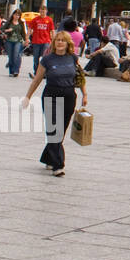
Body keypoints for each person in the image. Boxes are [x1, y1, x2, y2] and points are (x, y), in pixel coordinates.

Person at [21, 31, 86, 177]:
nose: (60, 43)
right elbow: (37, 80)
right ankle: (58, 165)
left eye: (63, 40)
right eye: (58, 40)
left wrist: (84, 94)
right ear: (54, 42)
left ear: (68, 43)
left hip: (69, 95)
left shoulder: (73, 58)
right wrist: (28, 97)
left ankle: (48, 157)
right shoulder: (47, 59)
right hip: (51, 94)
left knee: (60, 131)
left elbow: (79, 77)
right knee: (53, 130)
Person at [2, 9, 28, 78]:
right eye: (16, 14)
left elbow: (23, 33)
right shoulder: (9, 22)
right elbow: (2, 29)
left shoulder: (21, 23)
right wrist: (7, 30)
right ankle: (11, 71)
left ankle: (16, 71)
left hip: (18, 41)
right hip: (9, 41)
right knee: (11, 57)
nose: (17, 16)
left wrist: (26, 40)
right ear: (13, 15)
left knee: (16, 55)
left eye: (18, 15)